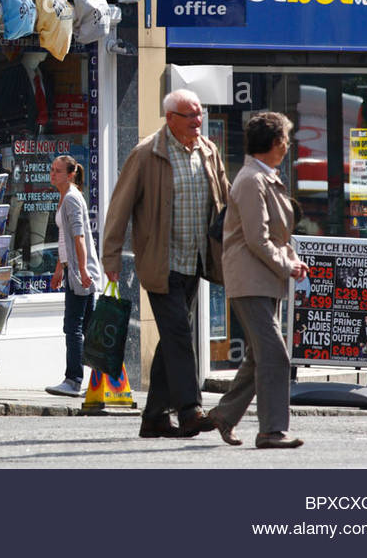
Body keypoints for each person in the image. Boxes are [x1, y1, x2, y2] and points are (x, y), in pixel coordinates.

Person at [102, 89, 230, 438]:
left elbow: (226, 201)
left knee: (171, 340)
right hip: (161, 263)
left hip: (196, 261)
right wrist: (111, 257)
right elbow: (119, 209)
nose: (197, 121)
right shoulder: (146, 154)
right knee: (179, 334)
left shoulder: (208, 151)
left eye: (200, 114)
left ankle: (154, 417)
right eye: (190, 115)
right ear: (170, 118)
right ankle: (190, 410)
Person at [206, 112, 308, 449]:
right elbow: (256, 238)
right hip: (250, 280)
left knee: (257, 356)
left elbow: (274, 237)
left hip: (264, 280)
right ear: (275, 142)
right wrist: (286, 264)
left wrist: (290, 259)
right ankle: (271, 431)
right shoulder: (251, 180)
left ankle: (224, 414)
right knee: (275, 355)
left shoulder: (265, 178)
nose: (288, 145)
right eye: (286, 139)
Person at [45, 155, 104, 397]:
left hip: (80, 271)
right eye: (52, 170)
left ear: (70, 174)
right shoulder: (66, 197)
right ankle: (103, 377)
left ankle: (73, 379)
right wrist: (60, 268)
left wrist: (80, 270)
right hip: (74, 269)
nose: (53, 174)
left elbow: (79, 237)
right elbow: (65, 239)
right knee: (88, 326)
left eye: (58, 171)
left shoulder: (70, 198)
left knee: (73, 326)